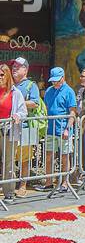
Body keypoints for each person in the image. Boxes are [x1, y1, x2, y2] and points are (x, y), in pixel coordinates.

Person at [10, 56, 40, 198]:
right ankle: (10, 183)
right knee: (10, 156)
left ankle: (23, 185)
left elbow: (35, 103)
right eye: (13, 66)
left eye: (18, 66)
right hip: (11, 127)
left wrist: (18, 103)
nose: (14, 68)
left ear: (26, 69)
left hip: (26, 127)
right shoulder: (9, 84)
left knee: (24, 158)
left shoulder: (30, 85)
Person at [44, 66, 77, 193]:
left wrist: (67, 129)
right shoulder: (49, 91)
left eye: (57, 80)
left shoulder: (69, 91)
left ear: (63, 78)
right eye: (53, 81)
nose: (54, 83)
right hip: (50, 129)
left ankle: (65, 182)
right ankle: (48, 182)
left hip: (63, 130)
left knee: (64, 157)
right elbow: (47, 108)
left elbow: (72, 112)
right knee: (48, 156)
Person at [0, 62, 27, 201]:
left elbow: (23, 112)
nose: (0, 77)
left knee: (8, 162)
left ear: (7, 75)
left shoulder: (15, 93)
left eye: (2, 75)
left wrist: (17, 115)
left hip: (8, 130)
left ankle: (9, 192)